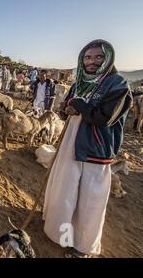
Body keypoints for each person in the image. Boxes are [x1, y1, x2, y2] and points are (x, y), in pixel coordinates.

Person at [43, 39, 133, 258]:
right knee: (65, 192)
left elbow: (104, 118)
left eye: (98, 57)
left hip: (94, 150)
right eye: (88, 57)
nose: (92, 62)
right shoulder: (80, 82)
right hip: (70, 145)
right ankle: (61, 235)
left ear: (108, 58)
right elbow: (67, 107)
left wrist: (79, 106)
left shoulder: (118, 84)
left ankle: (83, 247)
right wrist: (67, 108)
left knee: (88, 201)